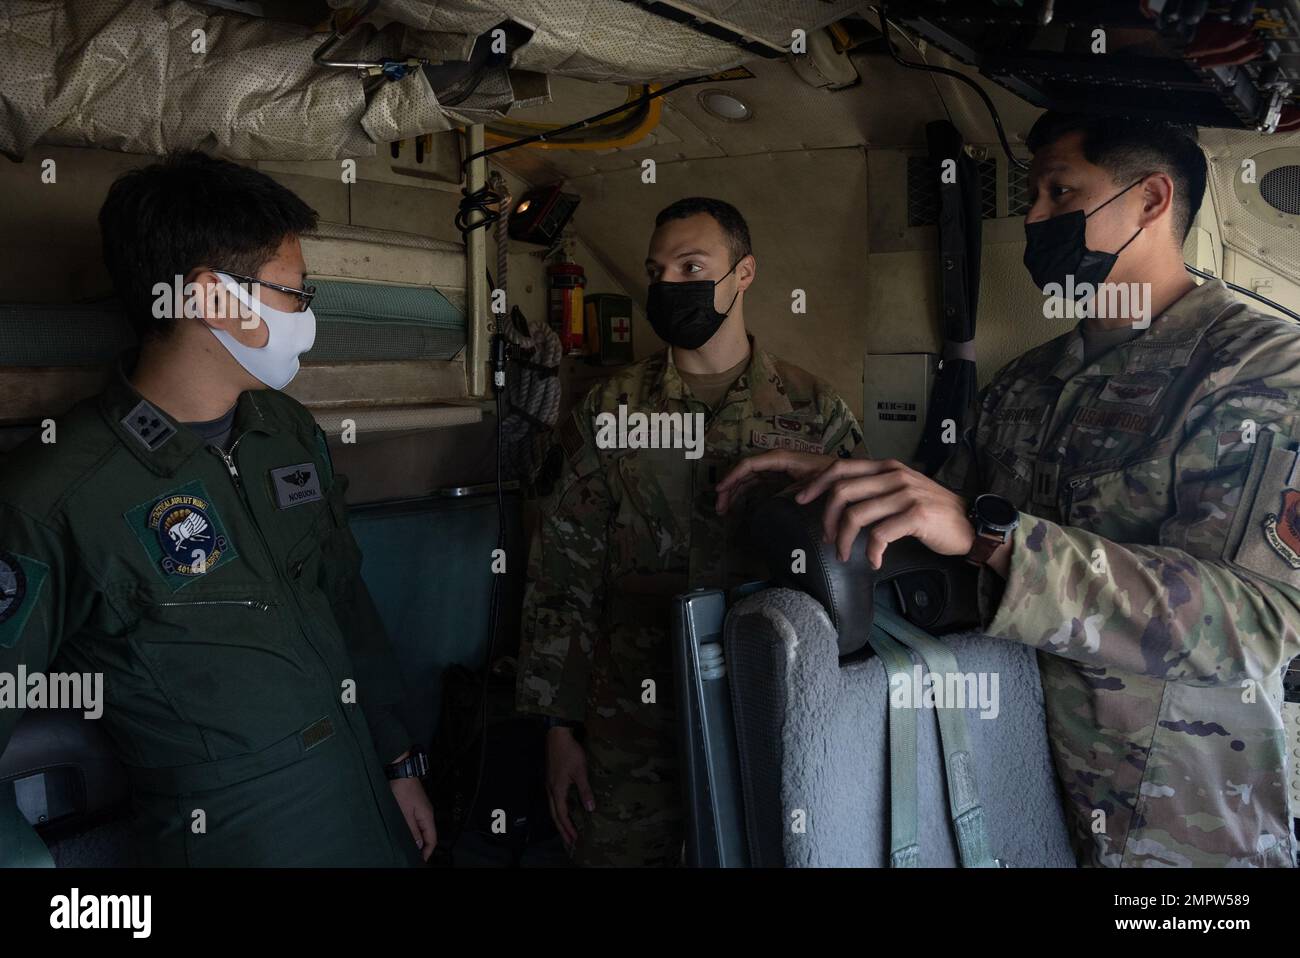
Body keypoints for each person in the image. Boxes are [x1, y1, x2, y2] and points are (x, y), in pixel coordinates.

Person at [717, 113, 1300, 868]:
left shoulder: (1257, 372)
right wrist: (849, 487)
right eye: (1032, 196)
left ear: (1152, 201)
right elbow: (954, 543)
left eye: (1061, 193)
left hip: (1172, 829)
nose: (1032, 217)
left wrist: (994, 534)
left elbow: (1259, 624)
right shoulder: (1027, 381)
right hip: (999, 791)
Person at [0, 151, 435, 865]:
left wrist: (397, 761)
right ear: (212, 298)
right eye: (295, 293)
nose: (306, 315)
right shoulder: (55, 498)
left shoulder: (284, 433)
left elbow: (342, 598)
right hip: (239, 834)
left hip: (362, 791)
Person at [516, 197, 865, 865]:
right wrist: (557, 725)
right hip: (632, 710)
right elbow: (562, 571)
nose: (669, 285)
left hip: (771, 701)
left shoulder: (814, 412)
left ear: (743, 274)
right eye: (657, 271)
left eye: (691, 266)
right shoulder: (610, 409)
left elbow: (850, 574)